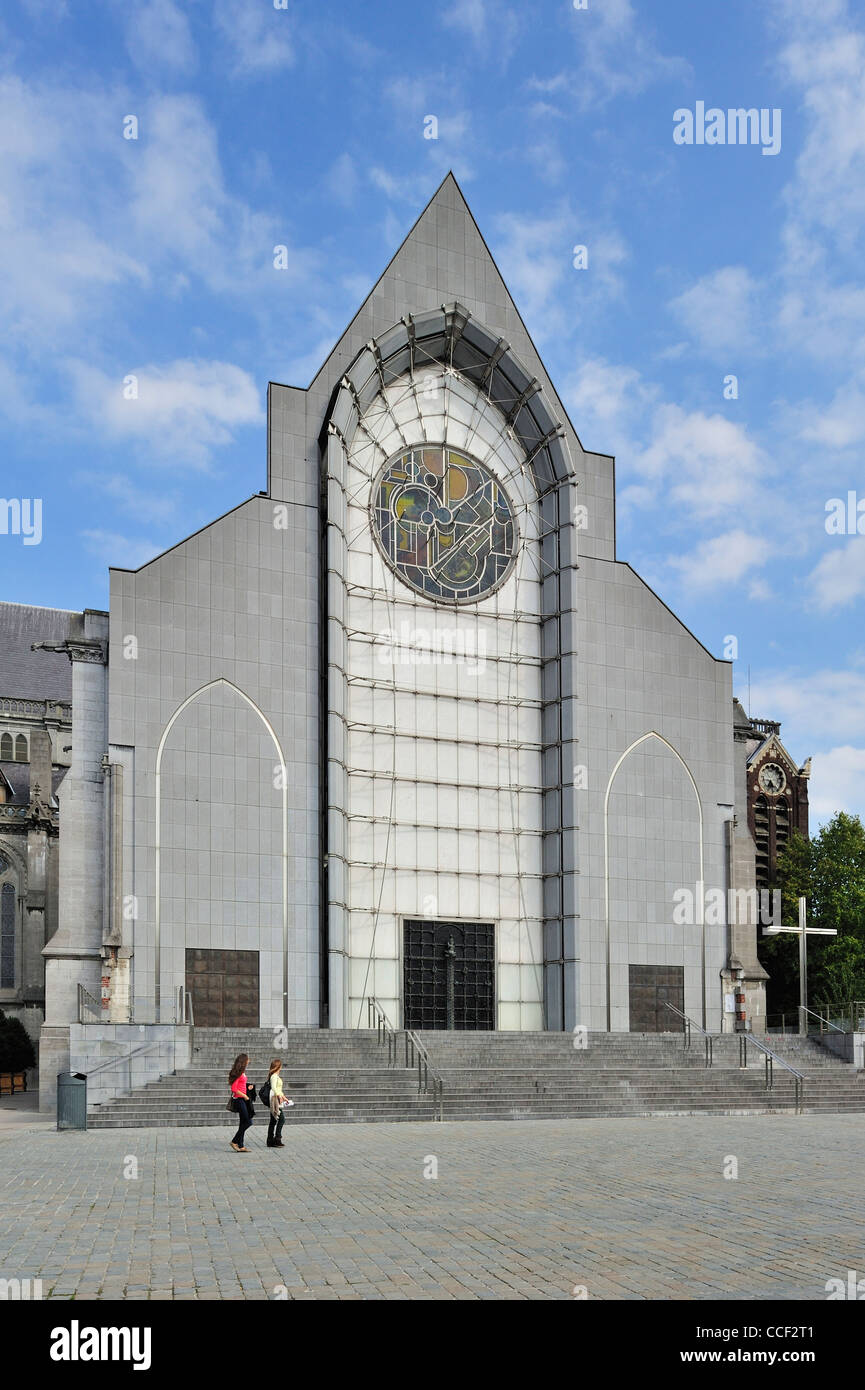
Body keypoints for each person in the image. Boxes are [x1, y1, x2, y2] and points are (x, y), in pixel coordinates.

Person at [228, 1052, 253, 1152]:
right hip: (239, 1100)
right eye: (247, 1060)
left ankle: (241, 1145)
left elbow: (240, 1085)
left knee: (243, 1122)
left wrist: (248, 1087)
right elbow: (234, 1089)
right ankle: (234, 1141)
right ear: (243, 1061)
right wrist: (245, 1096)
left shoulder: (242, 1071)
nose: (249, 1061)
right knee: (248, 1122)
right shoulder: (238, 1073)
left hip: (243, 1099)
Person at [266, 1057, 293, 1148]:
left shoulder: (275, 1076)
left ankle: (270, 1140)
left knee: (273, 1120)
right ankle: (277, 1139)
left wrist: (284, 1097)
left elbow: (278, 1089)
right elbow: (274, 1088)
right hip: (275, 1099)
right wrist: (279, 1096)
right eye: (280, 1066)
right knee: (281, 1119)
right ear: (278, 1067)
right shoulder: (274, 1076)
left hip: (277, 1097)